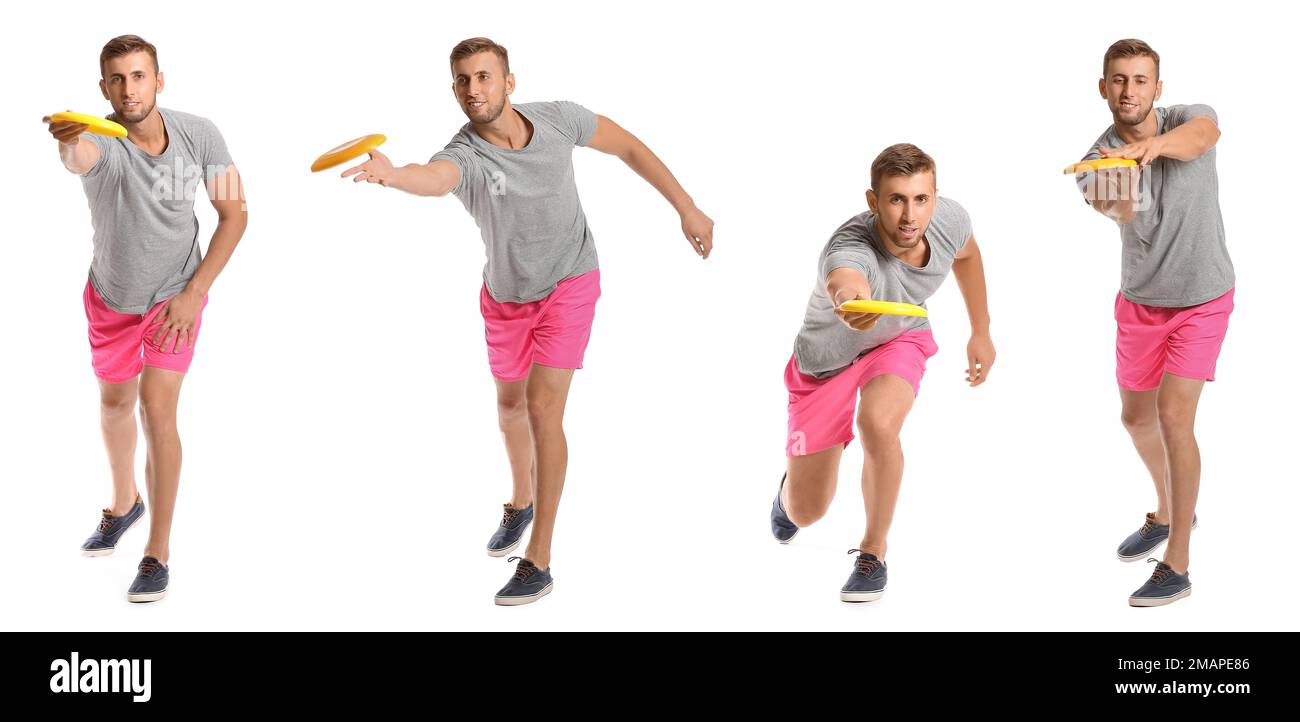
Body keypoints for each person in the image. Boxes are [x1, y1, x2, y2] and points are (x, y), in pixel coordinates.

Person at [340, 37, 714, 606]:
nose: (474, 90)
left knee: (543, 407)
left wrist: (686, 206)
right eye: (463, 81)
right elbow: (434, 175)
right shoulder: (465, 153)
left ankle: (538, 558)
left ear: (510, 82)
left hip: (570, 282)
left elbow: (629, 147)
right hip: (505, 295)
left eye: (485, 77)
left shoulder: (560, 120)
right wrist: (394, 176)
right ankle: (521, 501)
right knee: (509, 407)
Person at [44, 35, 247, 602]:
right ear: (104, 89)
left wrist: (195, 294)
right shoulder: (101, 141)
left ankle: (156, 551)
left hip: (174, 299)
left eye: (138, 76)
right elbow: (78, 157)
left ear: (159, 80)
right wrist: (68, 141)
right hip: (111, 296)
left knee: (158, 411)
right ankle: (123, 503)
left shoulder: (200, 134)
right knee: (113, 405)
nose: (128, 88)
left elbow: (234, 213)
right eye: (117, 79)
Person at [771, 143, 994, 603]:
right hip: (826, 363)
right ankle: (787, 491)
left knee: (877, 423)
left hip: (897, 339)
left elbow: (968, 257)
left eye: (920, 199)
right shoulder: (850, 248)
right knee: (806, 512)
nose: (910, 216)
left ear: (935, 196)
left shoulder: (949, 220)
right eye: (896, 200)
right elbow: (845, 280)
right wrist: (849, 304)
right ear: (873, 202)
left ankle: (872, 553)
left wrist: (981, 331)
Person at [1074, 39, 1233, 607]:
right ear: (1104, 88)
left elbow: (1201, 139)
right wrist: (1116, 181)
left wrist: (1154, 149)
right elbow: (1115, 207)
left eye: (1140, 80)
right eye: (1119, 80)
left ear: (1157, 89)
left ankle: (1179, 563)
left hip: (1202, 299)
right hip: (1141, 301)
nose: (1129, 91)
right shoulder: (1095, 160)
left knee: (1172, 417)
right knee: (1135, 417)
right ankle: (1168, 512)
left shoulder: (1191, 117)